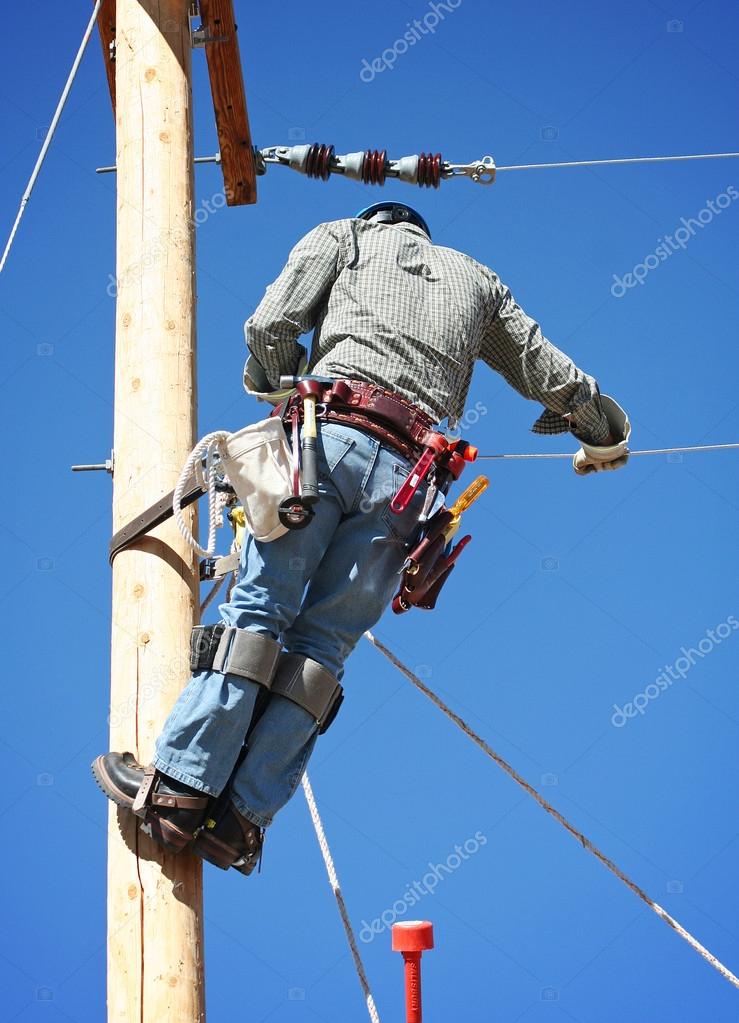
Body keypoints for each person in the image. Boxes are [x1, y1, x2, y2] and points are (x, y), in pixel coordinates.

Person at [93, 200, 630, 875]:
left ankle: (177, 791)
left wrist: (271, 378)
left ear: (375, 220)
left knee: (259, 610)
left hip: (325, 441)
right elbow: (539, 364)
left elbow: (272, 324)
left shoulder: (343, 236)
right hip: (409, 482)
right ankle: (238, 821)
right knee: (323, 647)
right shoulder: (477, 281)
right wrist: (596, 423)